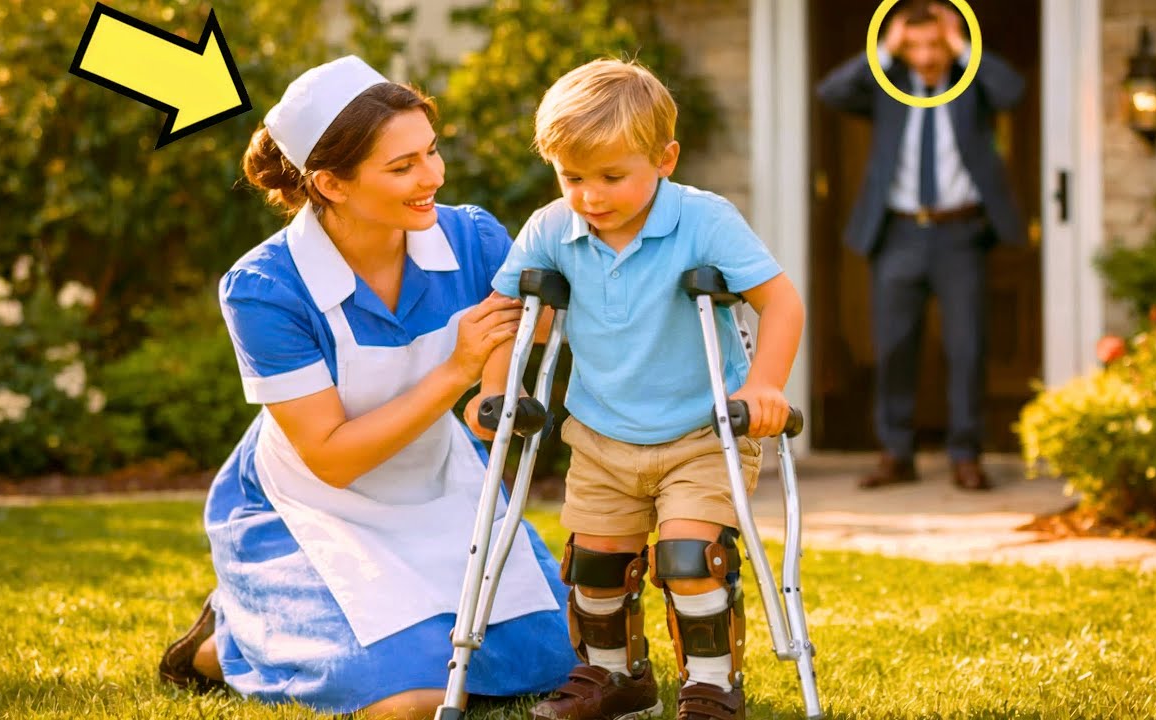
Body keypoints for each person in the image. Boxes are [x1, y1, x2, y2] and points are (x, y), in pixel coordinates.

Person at [155, 56, 577, 719]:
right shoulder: (267, 288)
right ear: (331, 183)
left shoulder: (470, 238)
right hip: (315, 506)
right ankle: (229, 640)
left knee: (561, 660)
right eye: (402, 166)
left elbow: (496, 395)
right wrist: (456, 371)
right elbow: (333, 456)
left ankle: (285, 631)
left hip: (436, 482)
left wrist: (509, 370)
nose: (432, 176)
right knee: (409, 698)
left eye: (431, 152)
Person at [491, 59, 805, 720]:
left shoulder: (705, 219)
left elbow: (781, 303)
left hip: (701, 432)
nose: (590, 196)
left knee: (691, 557)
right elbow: (512, 318)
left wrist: (765, 385)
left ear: (665, 159)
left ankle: (713, 685)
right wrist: (498, 390)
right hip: (602, 435)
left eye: (611, 177)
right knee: (596, 569)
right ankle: (617, 680)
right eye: (572, 177)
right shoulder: (552, 228)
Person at [816, 0, 1026, 491]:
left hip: (961, 234)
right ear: (903, 47)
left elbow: (1013, 90)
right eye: (917, 45)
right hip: (899, 234)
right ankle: (896, 453)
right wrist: (885, 50)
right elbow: (831, 91)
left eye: (936, 44)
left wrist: (962, 46)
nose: (928, 55)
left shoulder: (971, 81)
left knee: (967, 346)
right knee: (893, 347)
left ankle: (965, 455)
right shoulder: (888, 86)